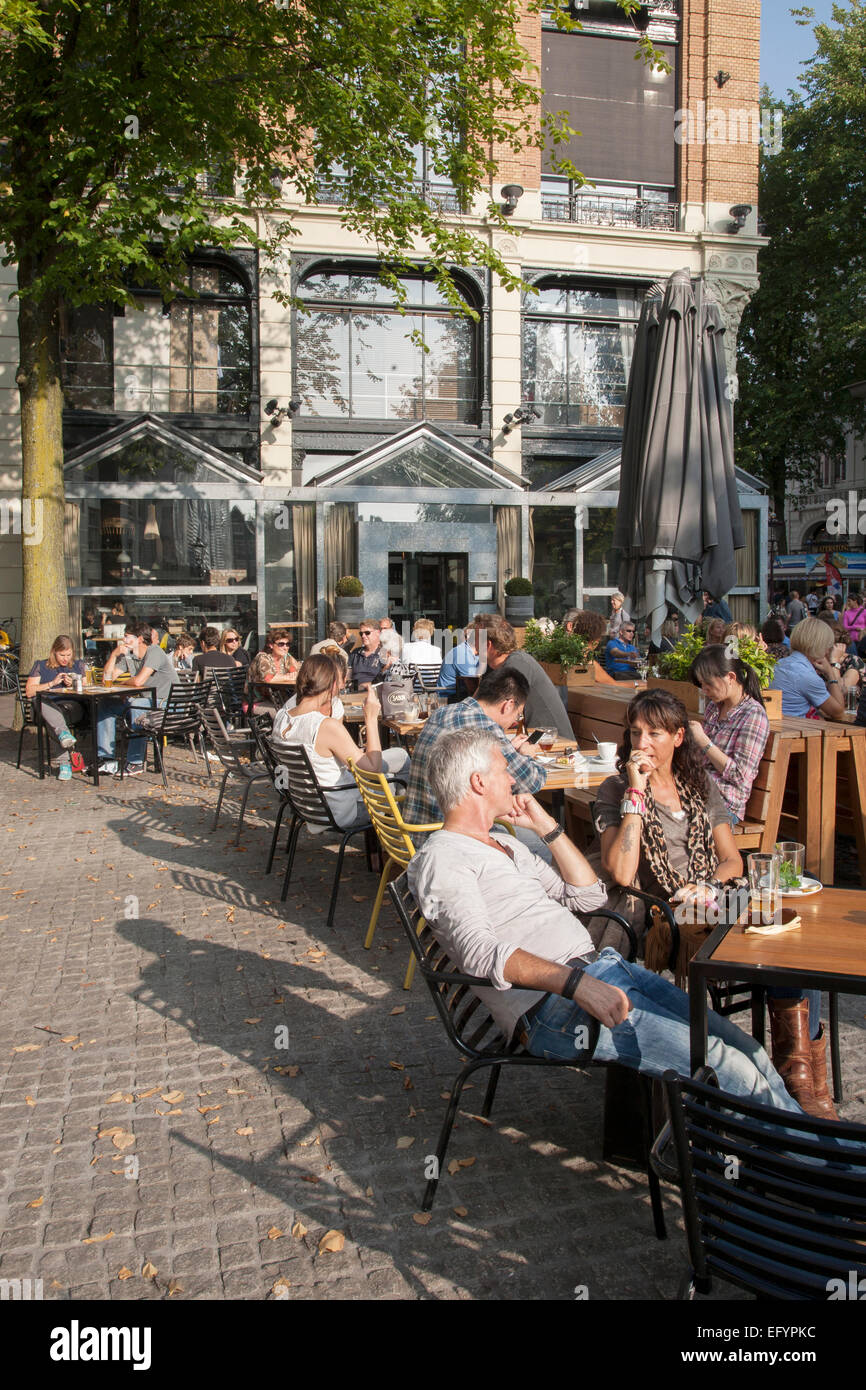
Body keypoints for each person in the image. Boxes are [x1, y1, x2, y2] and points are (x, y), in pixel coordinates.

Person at [407, 726, 802, 1116]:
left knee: (744, 1046)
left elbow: (588, 895)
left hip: (601, 971)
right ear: (478, 782)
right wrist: (577, 984)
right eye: (503, 768)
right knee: (723, 1062)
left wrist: (546, 826)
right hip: (554, 1006)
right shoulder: (444, 858)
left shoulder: (505, 842)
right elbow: (479, 953)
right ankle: (815, 1170)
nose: (513, 777)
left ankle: (807, 1153)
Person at [595, 689, 833, 1117]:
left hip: (710, 898)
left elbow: (731, 860)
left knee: (795, 929)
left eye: (654, 733)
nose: (641, 743)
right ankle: (796, 1084)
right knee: (772, 938)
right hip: (663, 915)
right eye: (635, 733)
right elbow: (623, 873)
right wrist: (637, 791)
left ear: (679, 737)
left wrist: (705, 885)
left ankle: (799, 1072)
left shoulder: (700, 785)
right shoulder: (616, 789)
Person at [270, 653, 408, 827]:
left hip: (307, 806)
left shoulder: (281, 718)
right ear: (333, 684)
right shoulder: (325, 726)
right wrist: (371, 718)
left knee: (388, 773)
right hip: (339, 811)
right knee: (390, 780)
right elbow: (373, 768)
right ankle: (403, 841)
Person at [401, 665, 545, 828]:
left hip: (416, 830)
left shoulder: (443, 712)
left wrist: (507, 750)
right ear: (508, 705)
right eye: (518, 715)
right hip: (447, 836)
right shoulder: (485, 725)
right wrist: (526, 754)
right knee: (541, 844)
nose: (514, 722)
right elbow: (531, 781)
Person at [688, 644, 770, 824]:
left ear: (730, 677)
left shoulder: (753, 715)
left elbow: (740, 776)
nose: (704, 690)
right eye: (701, 684)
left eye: (708, 684)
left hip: (723, 805)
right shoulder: (714, 707)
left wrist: (704, 741)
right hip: (696, 791)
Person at [99, 620, 178, 776]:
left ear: (140, 639)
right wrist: (115, 654)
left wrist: (122, 686)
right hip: (147, 702)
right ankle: (106, 759)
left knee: (137, 704)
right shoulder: (129, 656)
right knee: (105, 703)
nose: (124, 640)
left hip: (168, 704)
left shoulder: (154, 651)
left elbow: (138, 681)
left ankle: (136, 762)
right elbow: (106, 680)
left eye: (127, 636)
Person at [478, 615, 573, 738]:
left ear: (488, 645)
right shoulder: (493, 668)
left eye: (473, 641)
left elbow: (499, 711)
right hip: (528, 739)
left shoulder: (517, 664)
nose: (473, 650)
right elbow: (478, 704)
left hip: (553, 743)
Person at [25, 636, 87, 781]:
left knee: (53, 721)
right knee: (41, 701)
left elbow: (88, 689)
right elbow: (29, 692)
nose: (65, 659)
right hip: (44, 708)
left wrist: (74, 684)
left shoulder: (78, 665)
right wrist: (51, 683)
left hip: (70, 707)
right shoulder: (41, 665)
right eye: (62, 655)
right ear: (54, 652)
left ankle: (64, 762)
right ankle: (64, 744)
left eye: (68, 654)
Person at [767, 616, 844, 720]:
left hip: (776, 727)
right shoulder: (807, 677)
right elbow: (838, 713)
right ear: (821, 646)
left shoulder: (779, 664)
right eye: (828, 647)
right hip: (793, 731)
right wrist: (830, 673)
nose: (827, 651)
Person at [247, 629, 299, 710]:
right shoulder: (263, 657)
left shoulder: (286, 657)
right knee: (292, 712)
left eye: (287, 644)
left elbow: (295, 672)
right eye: (281, 644)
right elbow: (268, 678)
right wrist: (287, 677)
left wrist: (293, 674)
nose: (285, 647)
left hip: (277, 700)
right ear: (271, 645)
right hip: (257, 701)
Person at [562, 609, 617, 684]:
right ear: (570, 626)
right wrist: (636, 684)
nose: (600, 639)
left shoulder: (554, 654)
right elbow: (614, 685)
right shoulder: (584, 661)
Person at [437, 624, 480, 696]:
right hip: (450, 697)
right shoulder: (462, 653)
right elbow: (473, 685)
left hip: (461, 694)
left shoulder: (475, 653)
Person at [348, 618, 385, 688]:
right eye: (361, 633)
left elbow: (386, 680)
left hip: (375, 693)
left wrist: (366, 686)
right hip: (355, 693)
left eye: (367, 633)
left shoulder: (384, 653)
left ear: (378, 633)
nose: (363, 636)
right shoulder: (355, 653)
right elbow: (348, 677)